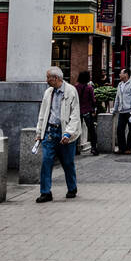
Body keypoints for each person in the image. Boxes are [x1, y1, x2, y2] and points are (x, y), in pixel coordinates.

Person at [34, 67, 80, 203]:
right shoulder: (48, 92)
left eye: (49, 77)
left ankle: (72, 188)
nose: (47, 80)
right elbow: (43, 114)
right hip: (49, 132)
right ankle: (45, 192)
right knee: (46, 162)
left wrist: (68, 133)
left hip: (64, 132)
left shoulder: (71, 91)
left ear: (57, 78)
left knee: (67, 162)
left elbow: (75, 115)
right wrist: (39, 132)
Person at [113, 68, 131, 155]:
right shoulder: (120, 84)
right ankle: (122, 148)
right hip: (122, 111)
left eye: (121, 73)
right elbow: (117, 98)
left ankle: (130, 148)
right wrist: (115, 109)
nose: (119, 75)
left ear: (126, 74)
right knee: (120, 130)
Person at [78, 75, 98, 156]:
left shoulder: (76, 87)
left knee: (76, 130)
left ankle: (76, 148)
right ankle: (94, 148)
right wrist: (93, 110)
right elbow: (93, 100)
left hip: (78, 111)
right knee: (92, 130)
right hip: (87, 111)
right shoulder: (89, 88)